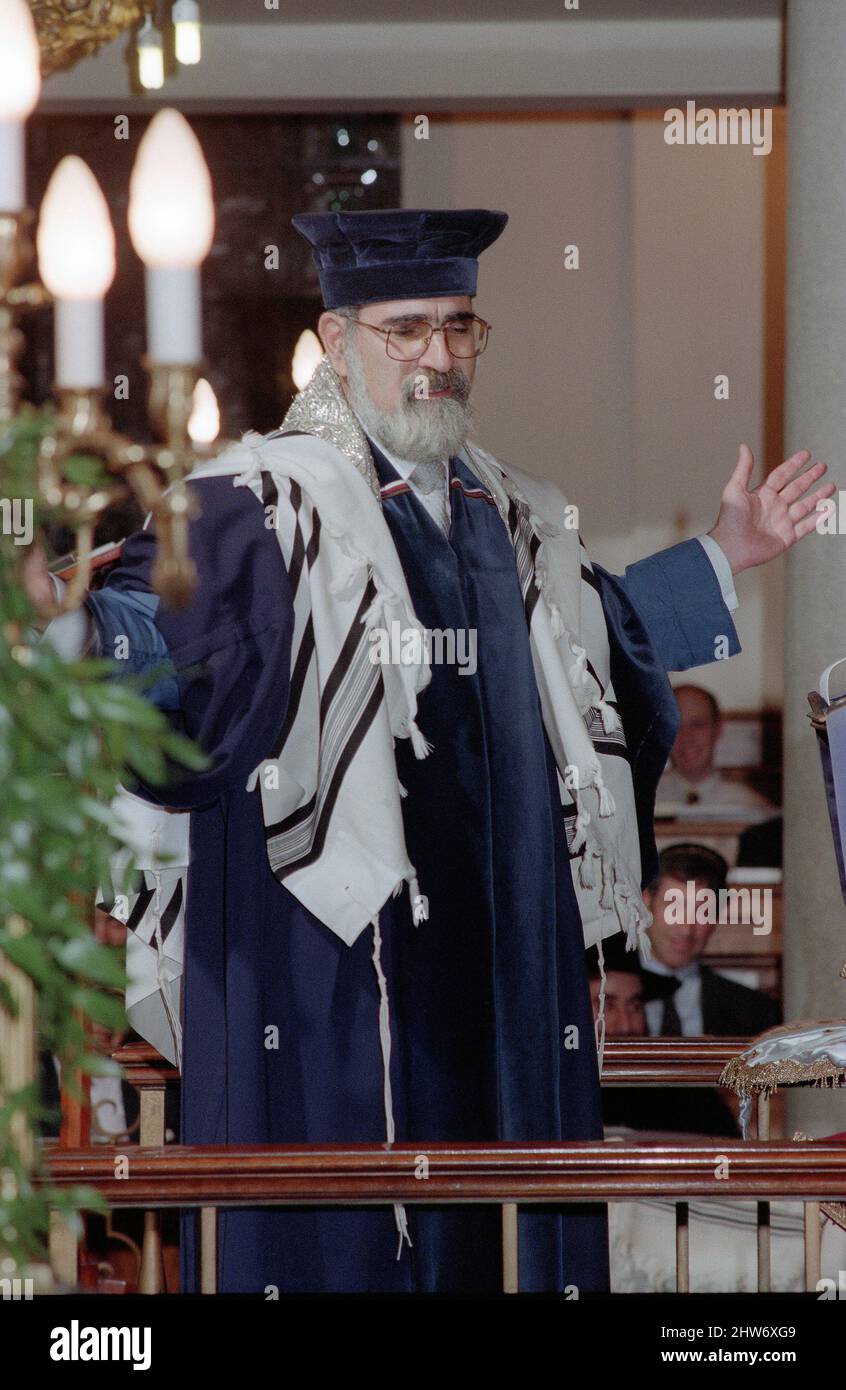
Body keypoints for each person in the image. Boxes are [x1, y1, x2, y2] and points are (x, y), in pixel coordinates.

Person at [34, 207, 829, 1294]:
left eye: (460, 328)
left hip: (514, 982)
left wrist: (726, 554)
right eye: (406, 330)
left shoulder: (507, 512)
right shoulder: (265, 503)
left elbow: (594, 649)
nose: (439, 357)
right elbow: (167, 627)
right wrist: (73, 625)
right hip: (335, 986)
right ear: (339, 334)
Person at [640, 843, 782, 1037]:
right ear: (646, 901)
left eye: (702, 911)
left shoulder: (755, 1010)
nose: (686, 929)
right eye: (674, 908)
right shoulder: (600, 999)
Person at [657, 684, 774, 814]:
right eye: (675, 726)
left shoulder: (751, 807)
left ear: (718, 729)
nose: (686, 737)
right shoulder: (642, 802)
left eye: (697, 725)